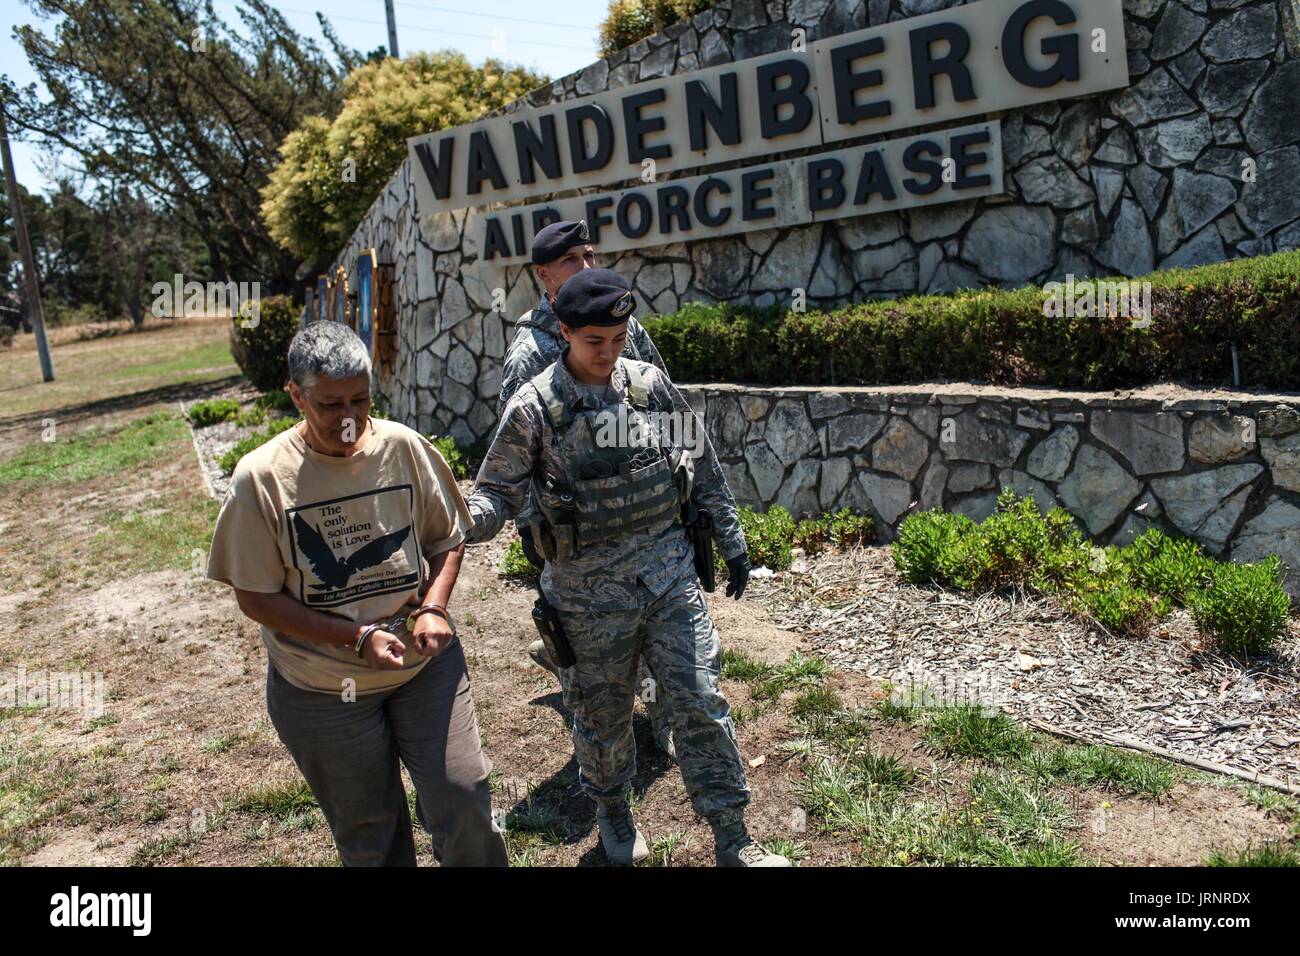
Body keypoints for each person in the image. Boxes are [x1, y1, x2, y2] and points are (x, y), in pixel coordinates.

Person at [466, 268, 787, 867]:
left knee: (700, 701)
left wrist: (732, 536)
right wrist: (454, 521)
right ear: (565, 332)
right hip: (586, 599)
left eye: (619, 339)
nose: (610, 354)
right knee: (602, 715)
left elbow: (701, 462)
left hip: (668, 579)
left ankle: (734, 838)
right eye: (596, 343)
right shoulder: (535, 406)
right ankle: (614, 813)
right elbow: (496, 495)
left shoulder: (648, 387)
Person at [206, 320, 508, 867]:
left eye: (360, 400)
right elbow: (256, 597)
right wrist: (357, 635)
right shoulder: (262, 479)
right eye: (329, 405)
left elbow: (446, 538)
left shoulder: (403, 447)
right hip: (321, 687)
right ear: (295, 395)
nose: (348, 420)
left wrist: (434, 607)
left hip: (423, 667)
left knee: (465, 802)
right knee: (371, 835)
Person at [501, 219, 676, 761]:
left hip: (644, 508)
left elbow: (660, 396)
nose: (586, 266)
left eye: (590, 255)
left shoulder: (618, 316)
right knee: (601, 640)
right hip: (580, 526)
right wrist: (535, 528)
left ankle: (667, 716)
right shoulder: (529, 351)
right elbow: (519, 449)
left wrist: (679, 477)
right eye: (573, 260)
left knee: (665, 620)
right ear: (544, 274)